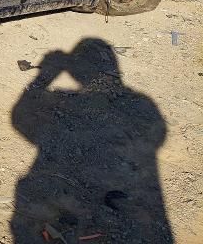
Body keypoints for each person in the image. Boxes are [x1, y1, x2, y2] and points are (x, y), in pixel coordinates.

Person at [10, 38, 173, 243]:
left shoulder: (136, 104)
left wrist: (44, 76)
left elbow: (20, 120)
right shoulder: (142, 102)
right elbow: (158, 136)